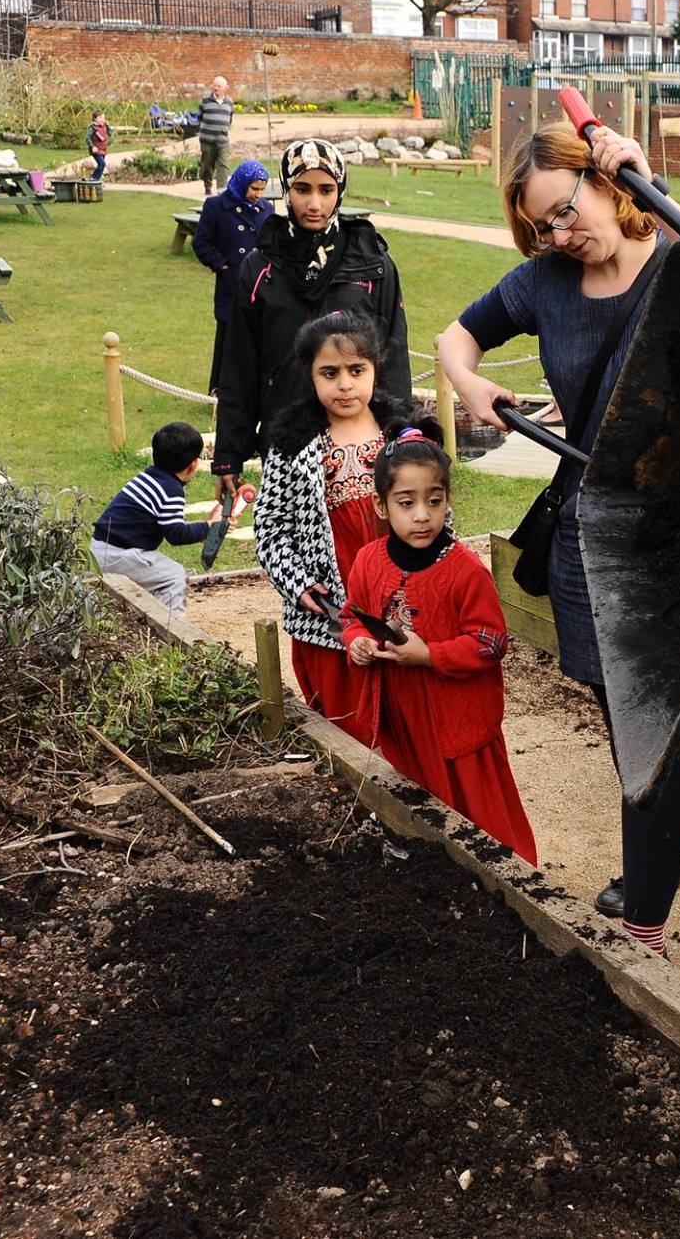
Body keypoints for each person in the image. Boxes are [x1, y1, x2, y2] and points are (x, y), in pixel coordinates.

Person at [437, 117, 680, 957]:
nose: (561, 233)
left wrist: (659, 189)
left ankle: (645, 923)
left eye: (566, 209)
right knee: (625, 717)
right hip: (587, 529)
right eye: (544, 224)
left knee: (644, 721)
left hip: (674, 534)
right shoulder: (544, 283)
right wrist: (470, 383)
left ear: (606, 180)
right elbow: (453, 336)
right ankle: (660, 857)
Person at [344, 421, 538, 866]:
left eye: (434, 501)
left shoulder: (466, 572)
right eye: (406, 503)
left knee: (477, 810)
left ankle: (509, 879)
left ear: (447, 500)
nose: (422, 515)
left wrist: (430, 654)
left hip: (456, 720)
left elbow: (491, 643)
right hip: (404, 712)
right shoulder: (368, 561)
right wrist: (357, 644)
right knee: (421, 802)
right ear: (380, 504)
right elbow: (352, 617)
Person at [212, 139, 409, 506]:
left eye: (326, 190)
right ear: (286, 189)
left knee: (364, 547)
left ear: (340, 190)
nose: (314, 203)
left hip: (359, 438)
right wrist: (229, 453)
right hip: (286, 437)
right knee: (291, 545)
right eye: (302, 189)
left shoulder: (373, 264)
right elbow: (238, 363)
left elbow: (393, 354)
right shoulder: (259, 267)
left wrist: (401, 434)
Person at [253, 311, 411, 738]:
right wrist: (298, 583)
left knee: (410, 719)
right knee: (349, 729)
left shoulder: (404, 437)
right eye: (330, 372)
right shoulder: (291, 445)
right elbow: (270, 527)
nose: (345, 384)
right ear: (310, 375)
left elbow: (438, 517)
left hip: (403, 600)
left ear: (376, 369)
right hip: (330, 617)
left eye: (357, 370)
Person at [90, 422, 209, 616]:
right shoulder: (171, 490)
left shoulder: (149, 476)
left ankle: (152, 621)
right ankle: (175, 632)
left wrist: (201, 530)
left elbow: (169, 524)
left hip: (103, 548)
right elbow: (175, 534)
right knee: (173, 577)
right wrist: (207, 528)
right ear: (193, 464)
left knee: (156, 576)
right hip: (120, 554)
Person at [194, 159, 271, 394]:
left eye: (262, 189)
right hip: (231, 286)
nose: (258, 194)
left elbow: (270, 244)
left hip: (260, 287)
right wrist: (222, 264)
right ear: (242, 183)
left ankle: (253, 392)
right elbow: (202, 242)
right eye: (254, 188)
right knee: (227, 342)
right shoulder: (216, 206)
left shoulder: (266, 209)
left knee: (257, 341)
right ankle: (219, 391)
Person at [197, 76, 235, 195]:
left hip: (222, 140)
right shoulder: (205, 100)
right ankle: (207, 185)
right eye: (215, 85)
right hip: (207, 140)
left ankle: (221, 190)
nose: (216, 88)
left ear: (225, 88)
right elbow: (200, 117)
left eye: (219, 86)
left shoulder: (229, 102)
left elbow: (229, 119)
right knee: (207, 165)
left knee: (223, 165)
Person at [85, 110, 111, 183]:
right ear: (96, 118)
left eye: (103, 117)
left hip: (103, 149)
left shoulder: (104, 126)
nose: (103, 119)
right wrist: (92, 146)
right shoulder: (92, 127)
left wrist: (108, 126)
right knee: (102, 164)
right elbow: (87, 138)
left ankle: (97, 180)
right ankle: (93, 178)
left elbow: (110, 133)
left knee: (101, 166)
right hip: (96, 150)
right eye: (101, 118)